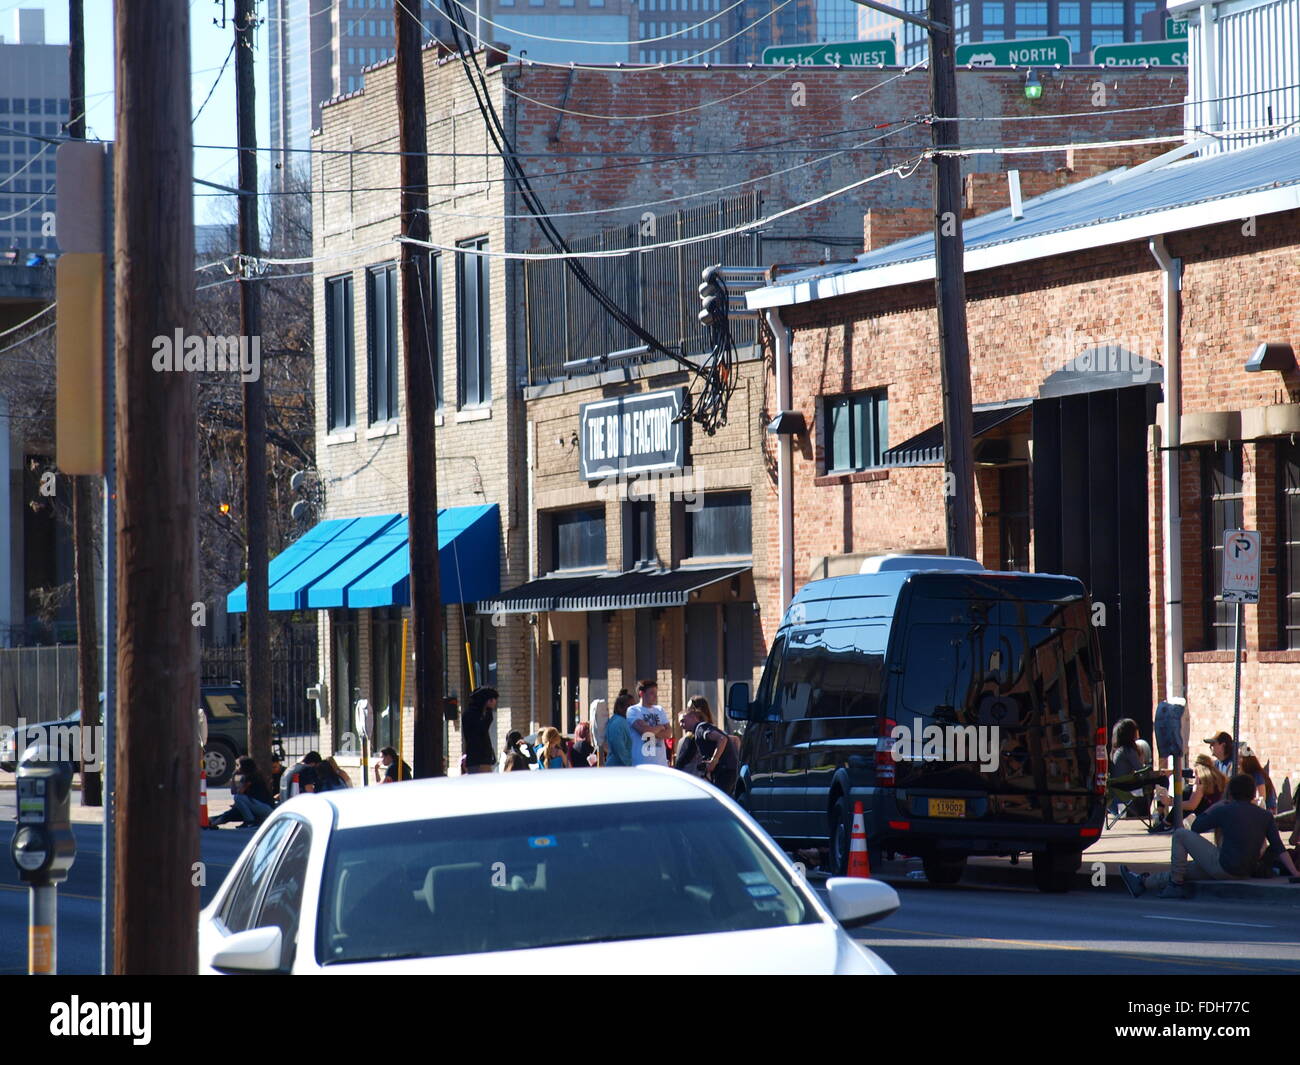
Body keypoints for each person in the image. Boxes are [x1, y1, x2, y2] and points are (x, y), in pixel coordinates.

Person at [1121, 773, 1300, 899]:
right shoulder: (1265, 815)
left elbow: (1196, 827)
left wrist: (1216, 806)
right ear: (1252, 793)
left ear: (1231, 792)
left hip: (1224, 866)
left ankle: (1175, 886)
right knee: (1186, 870)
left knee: (1180, 834)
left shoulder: (1225, 809)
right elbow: (1279, 847)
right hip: (1245, 871)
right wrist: (1295, 873)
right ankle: (1142, 883)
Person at [683, 696, 739, 796]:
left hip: (724, 771)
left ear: (694, 715)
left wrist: (714, 760)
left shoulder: (701, 729)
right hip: (723, 771)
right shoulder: (703, 728)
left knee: (720, 801)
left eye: (684, 719)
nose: (681, 724)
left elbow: (723, 739)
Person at [1153, 754, 1226, 830]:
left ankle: (1167, 823)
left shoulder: (1201, 780)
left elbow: (1191, 805)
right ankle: (1167, 823)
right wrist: (1172, 772)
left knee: (1187, 792)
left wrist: (1170, 802)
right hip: (1219, 816)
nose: (1194, 775)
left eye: (1194, 771)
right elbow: (1188, 773)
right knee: (1188, 791)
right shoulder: (1218, 777)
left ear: (1198, 769)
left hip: (1208, 819)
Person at [208, 757, 274, 828]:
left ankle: (250, 821)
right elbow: (233, 792)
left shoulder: (252, 777)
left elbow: (239, 794)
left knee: (237, 798)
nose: (237, 768)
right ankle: (212, 822)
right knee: (231, 813)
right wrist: (233, 777)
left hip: (265, 808)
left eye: (238, 765)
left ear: (244, 766)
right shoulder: (245, 777)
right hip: (256, 806)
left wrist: (237, 803)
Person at [626, 679, 671, 767]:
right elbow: (645, 732)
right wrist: (660, 727)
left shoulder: (659, 709)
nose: (655, 696)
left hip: (660, 763)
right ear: (641, 693)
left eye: (656, 693)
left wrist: (651, 730)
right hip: (641, 763)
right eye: (651, 693)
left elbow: (668, 733)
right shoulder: (633, 710)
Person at [462, 686, 499, 774]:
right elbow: (480, 731)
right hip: (478, 759)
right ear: (488, 700)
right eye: (493, 700)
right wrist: (489, 713)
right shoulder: (472, 715)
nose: (495, 702)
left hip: (480, 759)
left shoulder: (475, 713)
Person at [1238, 745, 1277, 813]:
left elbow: (1261, 800)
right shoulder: (1242, 775)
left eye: (1240, 757)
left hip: (1267, 812)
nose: (1237, 760)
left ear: (1247, 760)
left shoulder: (1257, 775)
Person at [604, 691, 635, 768]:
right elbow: (619, 749)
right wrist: (629, 764)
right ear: (620, 707)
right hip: (619, 769)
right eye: (630, 706)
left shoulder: (618, 720)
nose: (633, 709)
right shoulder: (619, 723)